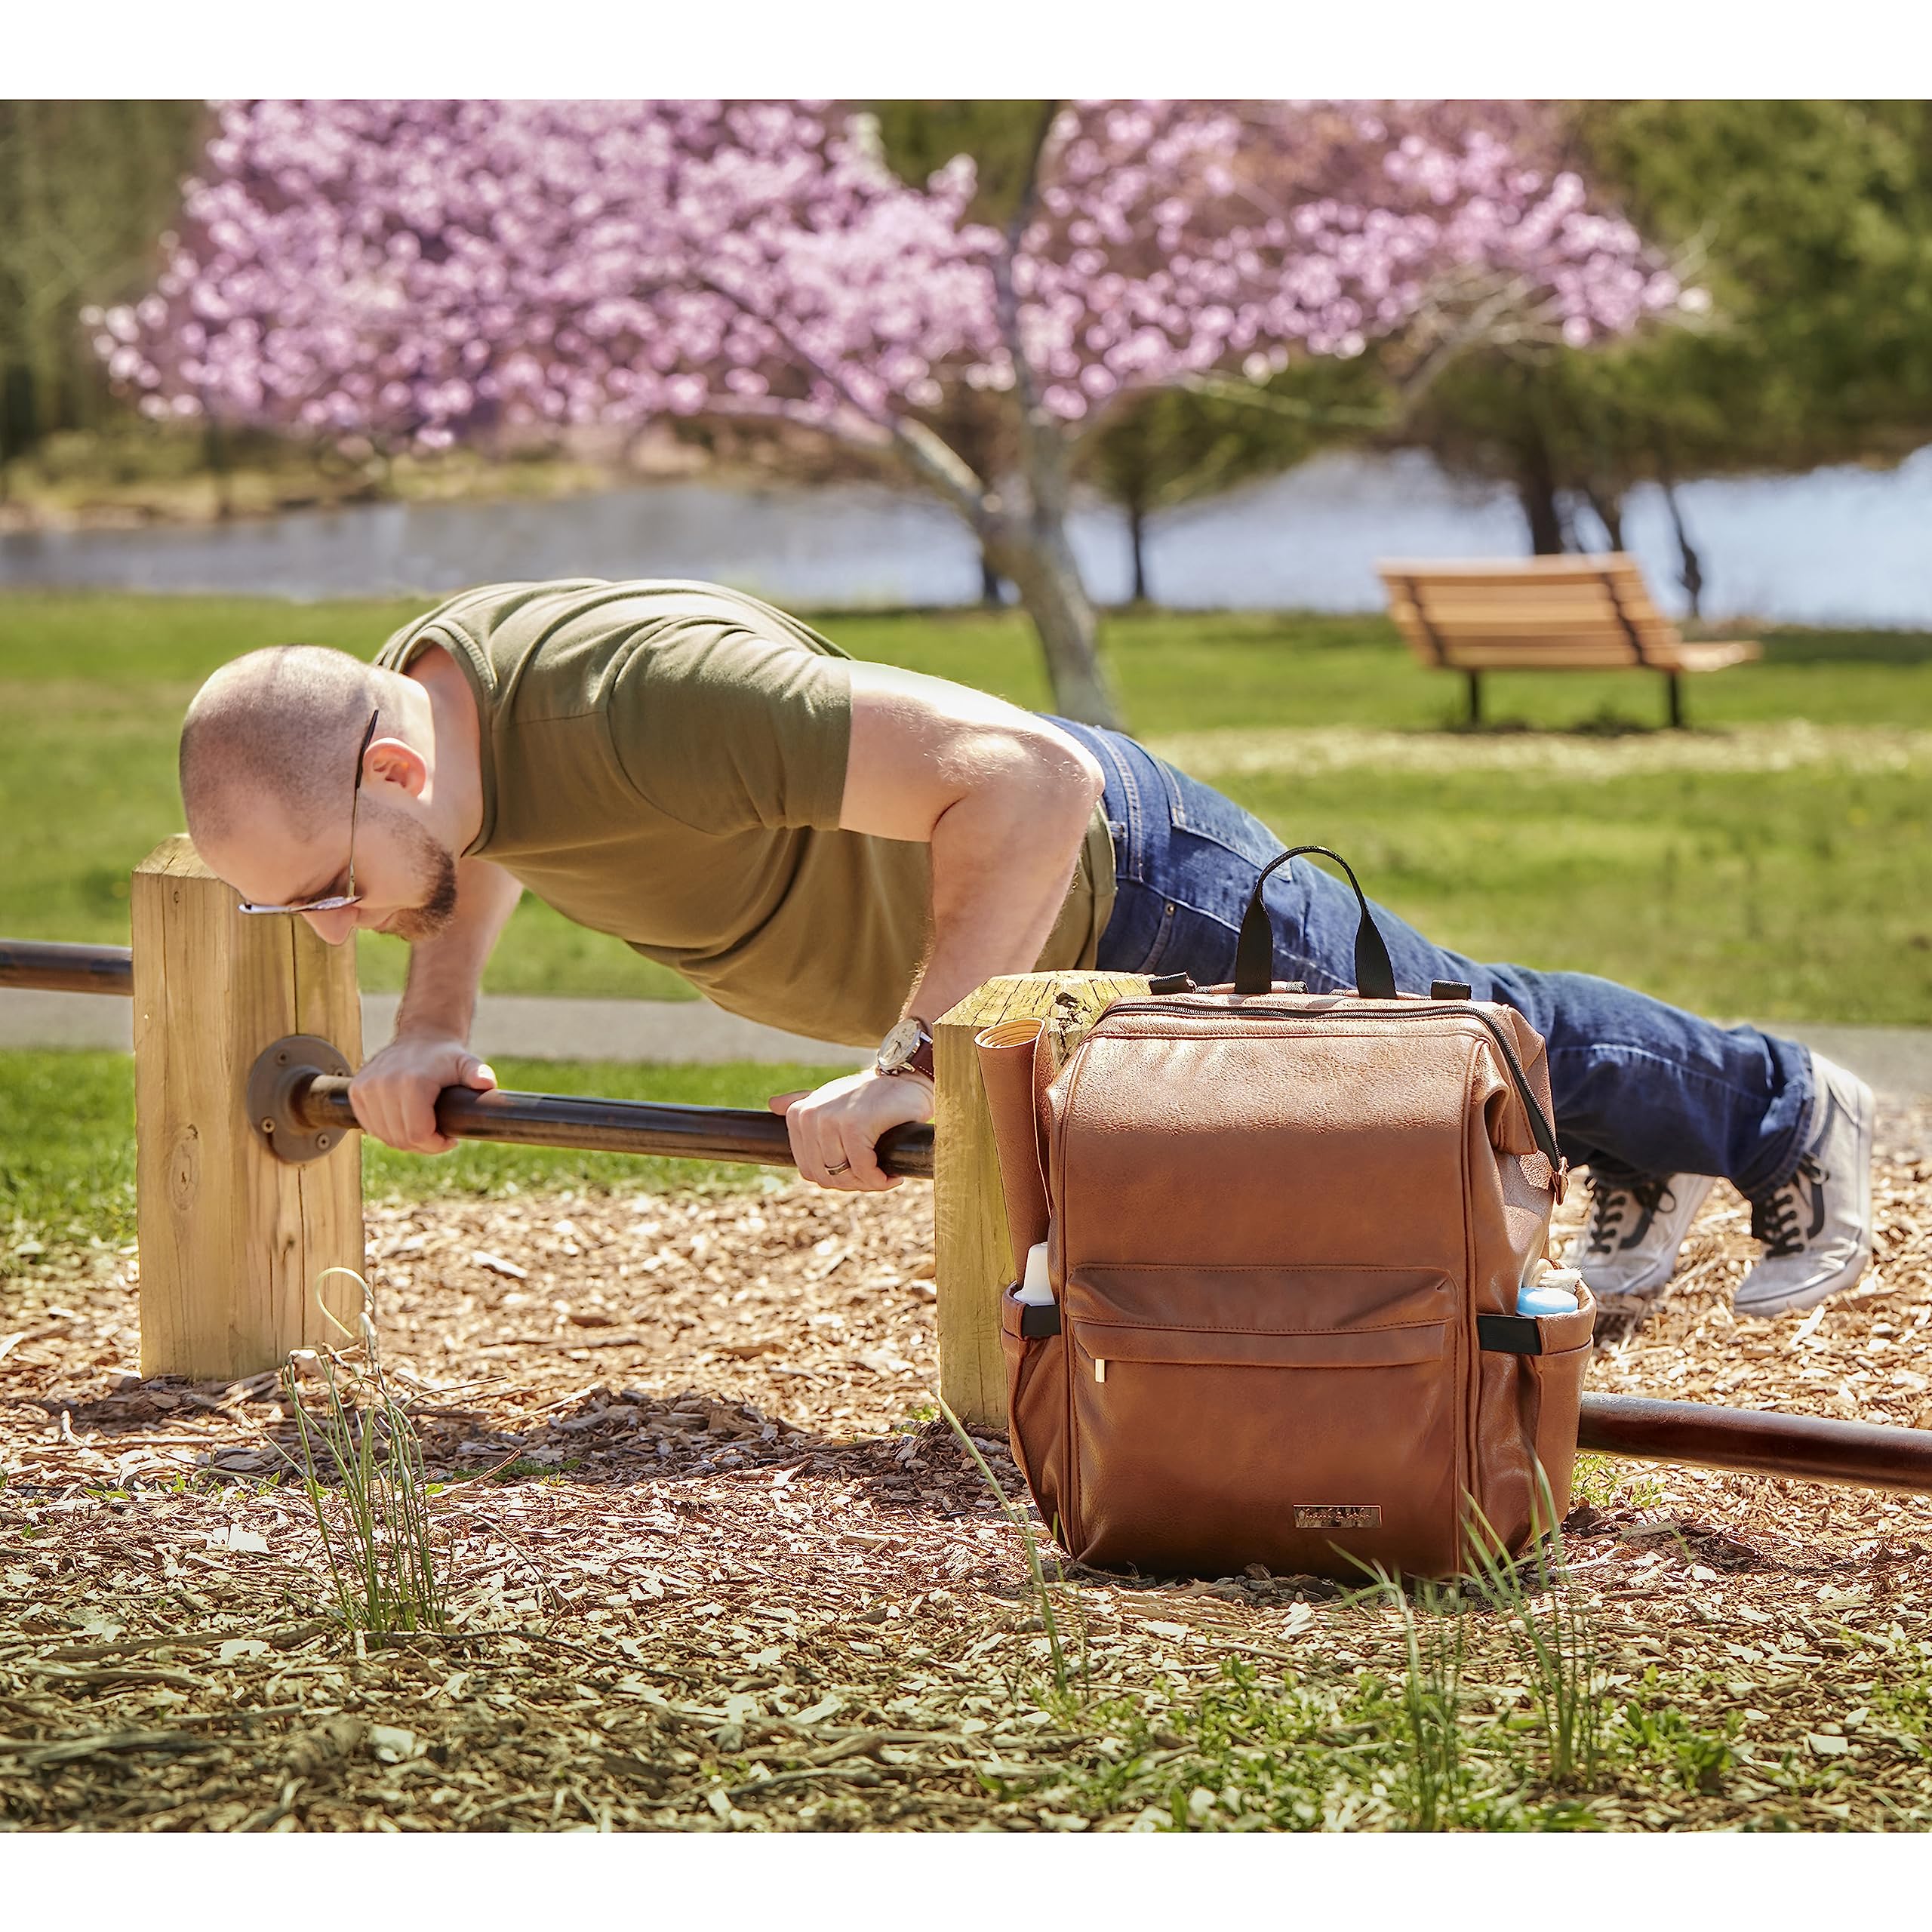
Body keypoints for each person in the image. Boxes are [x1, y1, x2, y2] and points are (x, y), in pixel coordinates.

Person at [178, 577, 1874, 1323]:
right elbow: (466, 853)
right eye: (296, 912)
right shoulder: (441, 746)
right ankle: (1644, 1158)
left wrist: (914, 1056)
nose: (334, 926)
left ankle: (1779, 1105)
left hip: (1121, 886)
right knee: (1434, 1065)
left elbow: (1025, 774)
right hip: (1025, 937)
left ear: (392, 765)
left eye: (328, 885)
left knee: (1438, 1037)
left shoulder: (641, 699)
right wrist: (435, 1011)